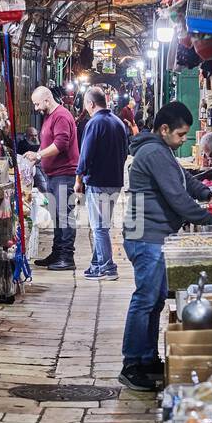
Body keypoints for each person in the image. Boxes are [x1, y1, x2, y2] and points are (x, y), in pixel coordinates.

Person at [119, 101, 212, 392]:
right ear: (164, 129)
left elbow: (183, 179)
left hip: (155, 235)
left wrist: (207, 193)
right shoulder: (154, 151)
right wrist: (211, 218)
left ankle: (147, 357)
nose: (183, 140)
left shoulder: (160, 150)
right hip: (146, 236)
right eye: (181, 134)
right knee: (145, 299)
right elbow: (177, 197)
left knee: (155, 300)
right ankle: (132, 364)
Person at [75, 86, 128, 281]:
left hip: (98, 181)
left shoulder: (94, 123)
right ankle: (97, 264)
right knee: (102, 224)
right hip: (115, 181)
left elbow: (85, 155)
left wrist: (78, 179)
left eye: (86, 105)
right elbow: (125, 152)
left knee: (99, 227)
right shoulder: (118, 122)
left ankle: (108, 267)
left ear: (91, 103)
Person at [28, 85, 79, 271]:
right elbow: (48, 143)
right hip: (53, 174)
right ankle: (57, 253)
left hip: (63, 174)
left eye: (37, 104)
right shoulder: (50, 117)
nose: (36, 108)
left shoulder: (61, 116)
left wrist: (39, 156)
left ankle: (66, 256)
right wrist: (36, 155)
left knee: (64, 215)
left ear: (47, 100)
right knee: (57, 215)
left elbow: (61, 144)